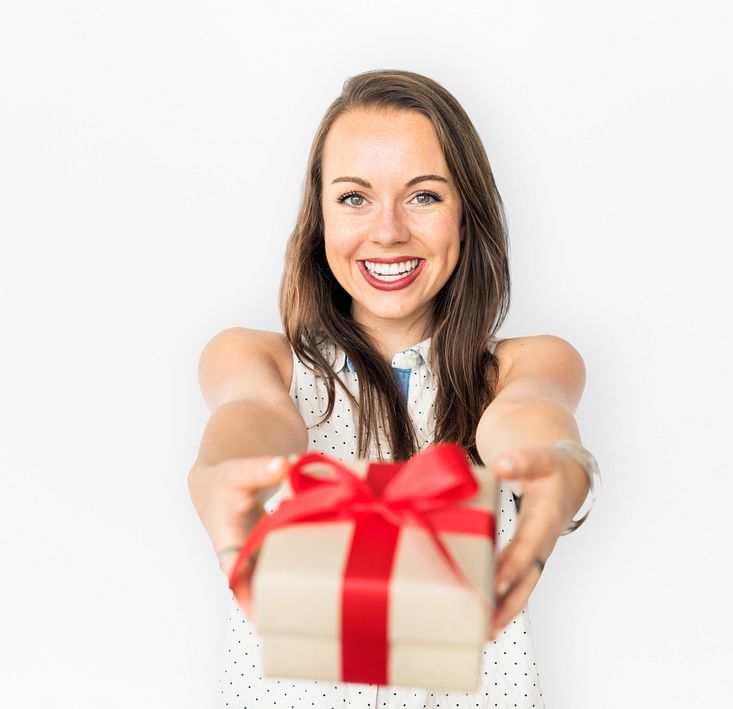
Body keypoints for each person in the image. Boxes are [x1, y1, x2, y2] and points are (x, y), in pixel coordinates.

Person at [187, 69, 600, 709]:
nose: (387, 232)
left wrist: (554, 466)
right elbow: (255, 415)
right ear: (319, 218)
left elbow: (529, 416)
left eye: (423, 196)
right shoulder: (262, 359)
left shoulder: (520, 367)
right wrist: (226, 466)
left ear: (466, 215)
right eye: (354, 197)